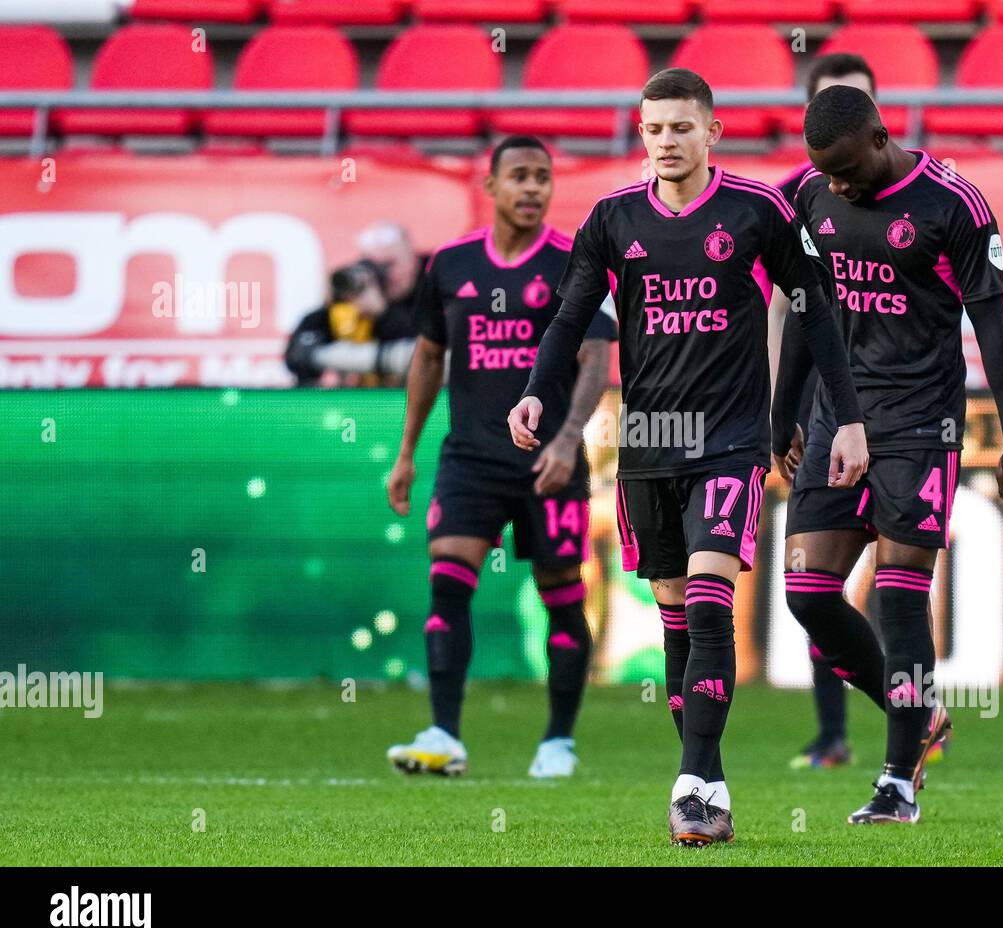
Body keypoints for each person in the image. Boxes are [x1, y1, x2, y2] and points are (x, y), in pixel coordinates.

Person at [508, 69, 868, 847]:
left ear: (713, 132)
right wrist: (537, 390)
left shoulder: (757, 211)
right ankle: (708, 779)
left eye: (681, 128)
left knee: (710, 597)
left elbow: (818, 311)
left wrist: (846, 419)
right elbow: (571, 316)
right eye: (654, 130)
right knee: (675, 614)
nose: (667, 142)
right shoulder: (611, 219)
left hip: (730, 440)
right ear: (642, 136)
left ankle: (691, 783)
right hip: (649, 441)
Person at [773, 85, 1003, 825]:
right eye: (825, 173)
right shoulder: (810, 198)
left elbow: (995, 329)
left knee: (898, 593)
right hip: (836, 415)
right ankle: (920, 713)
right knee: (807, 593)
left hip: (922, 425)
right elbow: (807, 307)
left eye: (848, 171)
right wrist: (782, 413)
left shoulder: (954, 205)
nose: (837, 186)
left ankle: (896, 780)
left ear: (882, 137)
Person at [385, 135, 617, 779]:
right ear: (490, 187)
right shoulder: (451, 266)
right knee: (446, 584)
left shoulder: (576, 262)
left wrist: (570, 439)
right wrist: (407, 453)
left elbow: (596, 355)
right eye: (519, 176)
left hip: (550, 464)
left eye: (542, 177)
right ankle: (443, 733)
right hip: (470, 458)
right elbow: (430, 357)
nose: (532, 188)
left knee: (563, 598)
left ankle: (559, 741)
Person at [772, 52, 878, 772]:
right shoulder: (793, 198)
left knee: (901, 577)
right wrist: (780, 402)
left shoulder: (927, 191)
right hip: (822, 403)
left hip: (901, 405)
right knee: (816, 578)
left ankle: (908, 731)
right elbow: (784, 302)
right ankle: (833, 731)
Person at [284, 260, 414, 387]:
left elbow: (415, 355)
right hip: (345, 398)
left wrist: (382, 313)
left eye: (363, 287)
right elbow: (295, 358)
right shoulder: (323, 318)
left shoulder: (399, 314)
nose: (353, 295)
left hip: (391, 397)